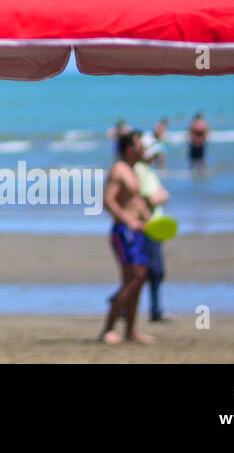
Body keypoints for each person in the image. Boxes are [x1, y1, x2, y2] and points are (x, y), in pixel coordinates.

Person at [99, 131, 155, 344]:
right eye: (140, 145)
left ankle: (131, 330)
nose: (144, 149)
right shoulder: (118, 170)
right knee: (132, 279)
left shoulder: (134, 170)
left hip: (139, 232)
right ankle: (108, 329)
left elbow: (137, 201)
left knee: (140, 278)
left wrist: (148, 218)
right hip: (124, 232)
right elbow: (108, 200)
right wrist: (128, 221)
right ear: (130, 149)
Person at [134, 133, 171, 322]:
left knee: (152, 271)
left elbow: (161, 194)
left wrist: (161, 195)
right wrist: (161, 195)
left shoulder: (148, 170)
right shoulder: (141, 169)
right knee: (152, 271)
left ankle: (154, 308)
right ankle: (153, 310)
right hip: (149, 226)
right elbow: (152, 197)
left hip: (155, 225)